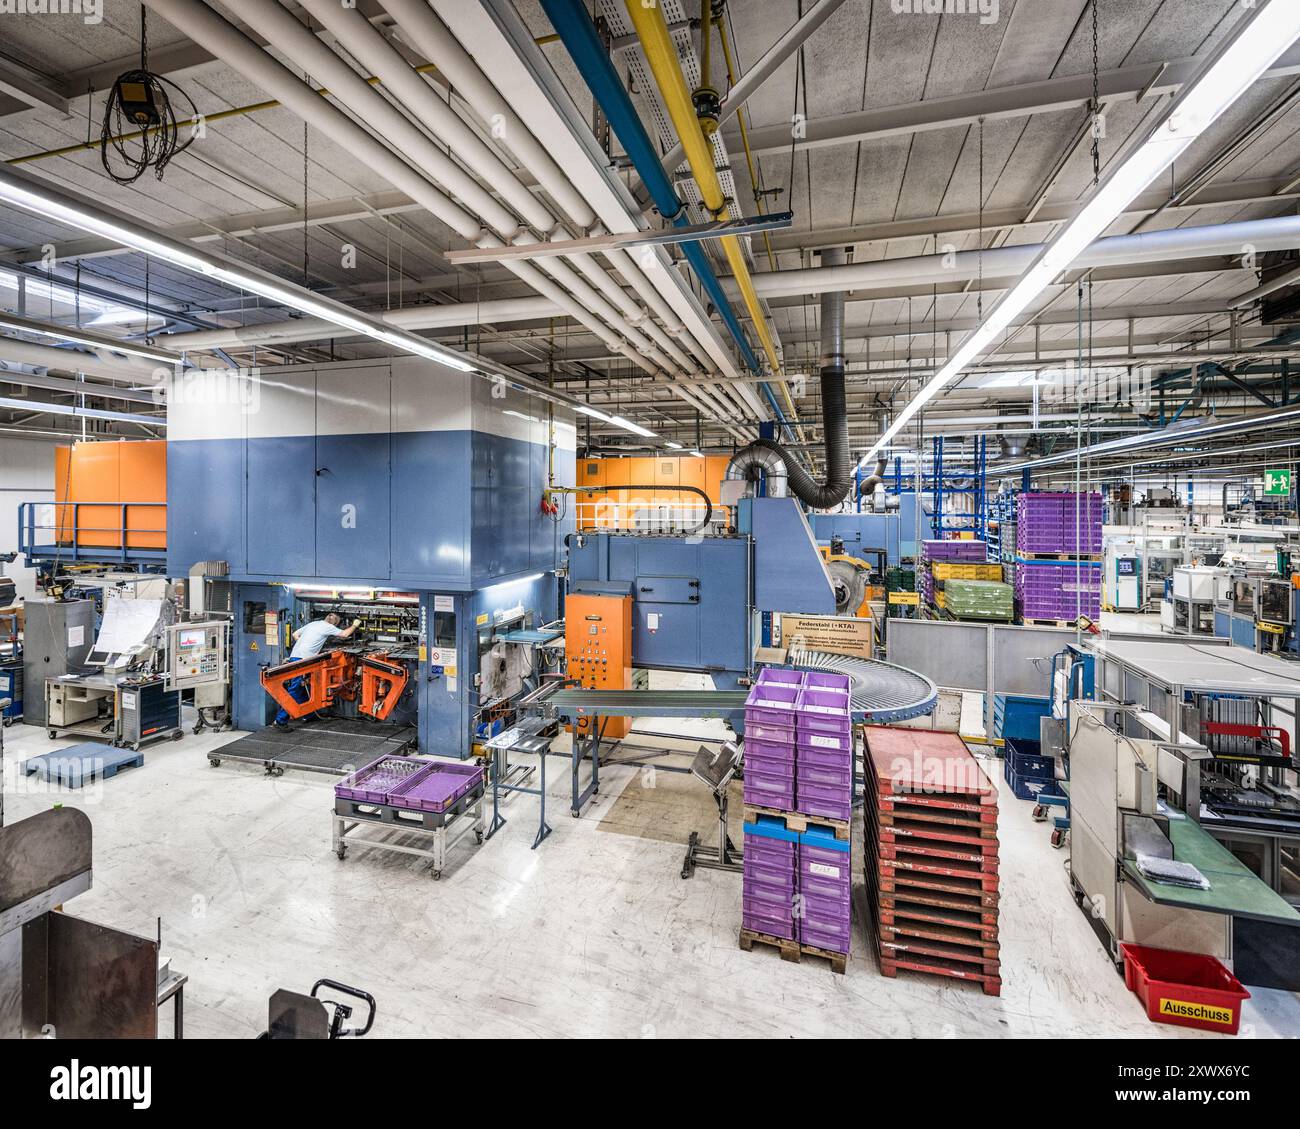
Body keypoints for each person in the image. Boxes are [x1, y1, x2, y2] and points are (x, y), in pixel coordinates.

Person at [272, 612, 361, 729]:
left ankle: (308, 714)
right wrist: (355, 625)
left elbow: (294, 634)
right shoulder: (327, 627)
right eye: (338, 622)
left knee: (302, 687)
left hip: (295, 657)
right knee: (295, 689)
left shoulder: (313, 624)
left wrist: (307, 646)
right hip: (303, 661)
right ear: (334, 621)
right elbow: (345, 634)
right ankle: (280, 721)